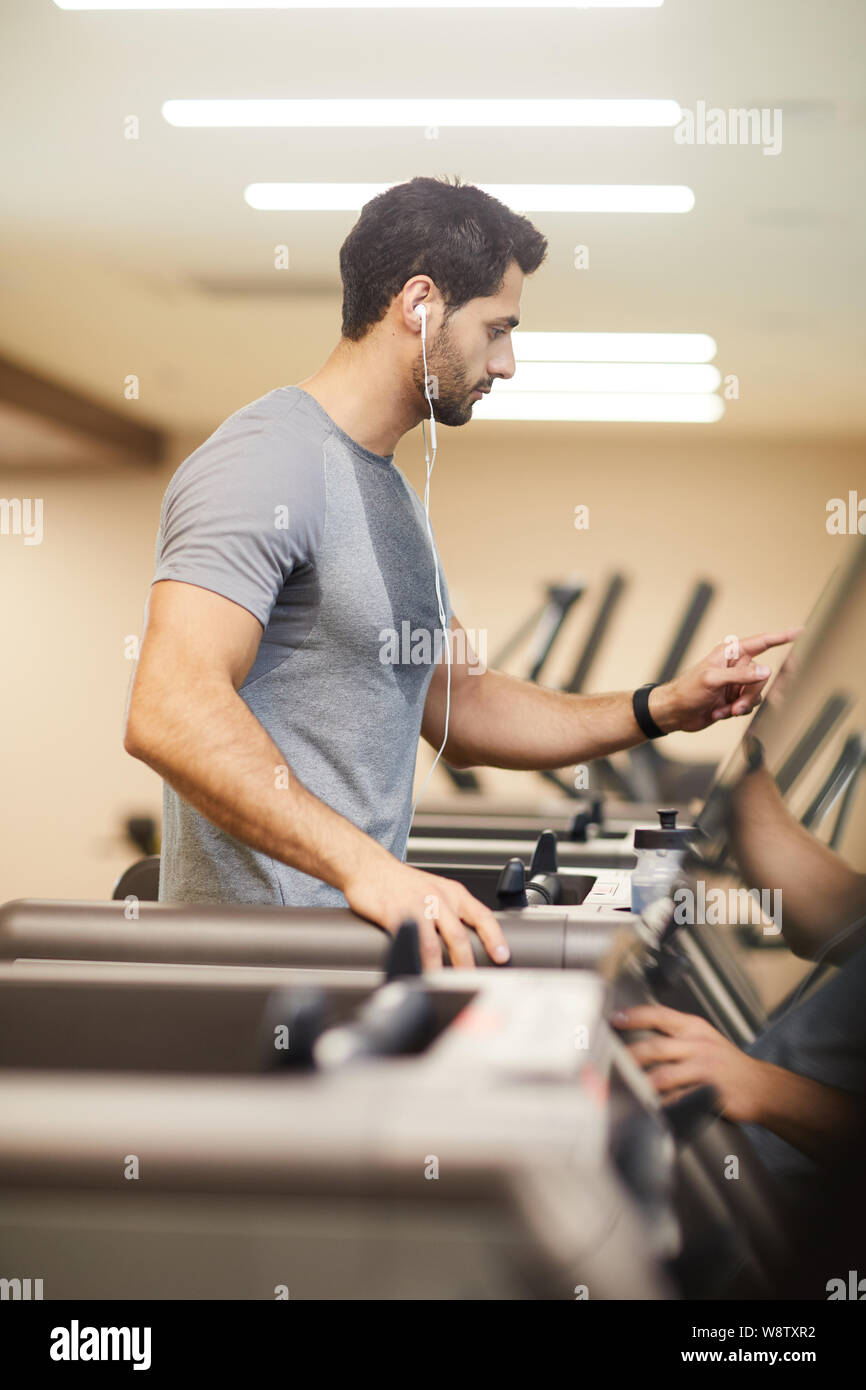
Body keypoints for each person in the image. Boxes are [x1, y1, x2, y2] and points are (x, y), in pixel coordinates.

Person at [123, 175, 797, 970]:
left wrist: (660, 707)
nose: (507, 363)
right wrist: (370, 869)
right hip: (250, 969)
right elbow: (169, 706)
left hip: (348, 953)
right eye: (497, 328)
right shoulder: (266, 460)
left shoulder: (390, 492)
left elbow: (461, 703)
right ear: (420, 303)